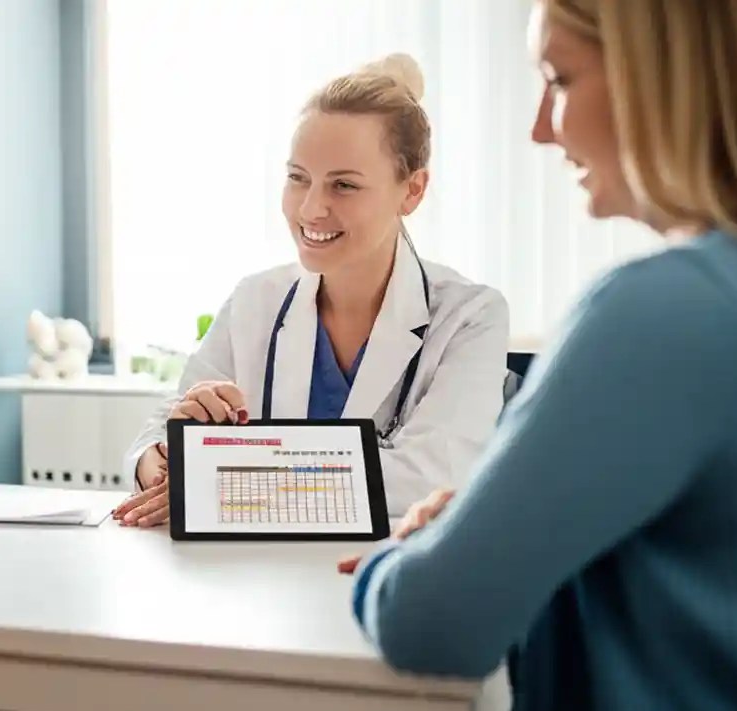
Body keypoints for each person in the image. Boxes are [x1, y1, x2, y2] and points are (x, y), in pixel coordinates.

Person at [343, 1, 737, 711]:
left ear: (666, 77)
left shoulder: (670, 311)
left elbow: (431, 621)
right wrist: (509, 524)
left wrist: (405, 559)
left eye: (558, 80)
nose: (539, 128)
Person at [114, 54, 511, 527]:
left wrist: (220, 479)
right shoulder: (255, 302)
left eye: (343, 185)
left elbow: (429, 477)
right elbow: (157, 436)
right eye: (298, 178)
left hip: (375, 577)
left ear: (413, 191)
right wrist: (165, 458)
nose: (311, 208)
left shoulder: (470, 316)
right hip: (254, 582)